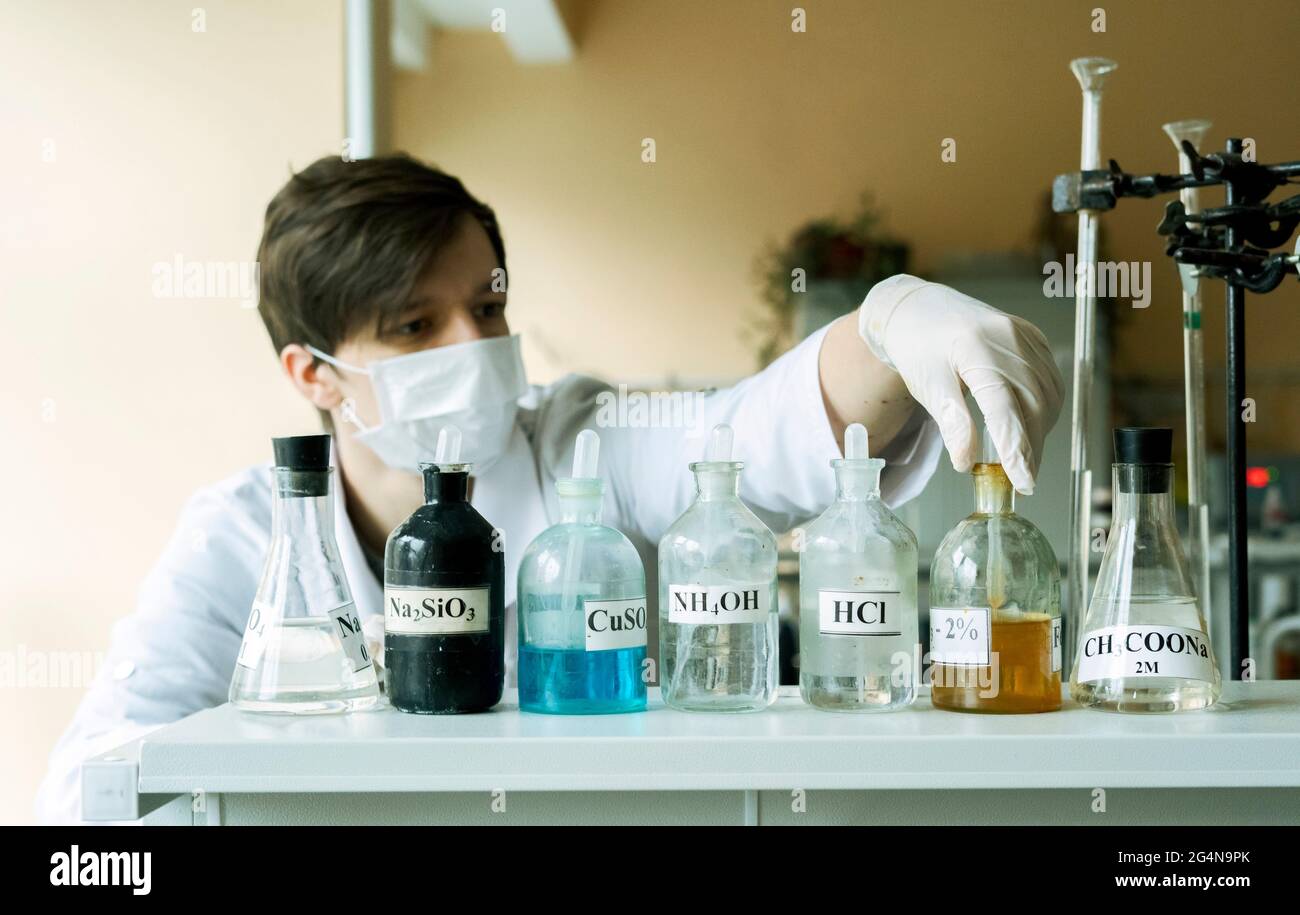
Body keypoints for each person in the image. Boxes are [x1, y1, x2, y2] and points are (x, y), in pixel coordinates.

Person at [35, 154, 1063, 823]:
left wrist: (886, 324)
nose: (474, 345)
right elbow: (95, 791)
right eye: (413, 325)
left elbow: (754, 433)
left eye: (487, 305)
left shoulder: (585, 445)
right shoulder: (239, 540)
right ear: (315, 375)